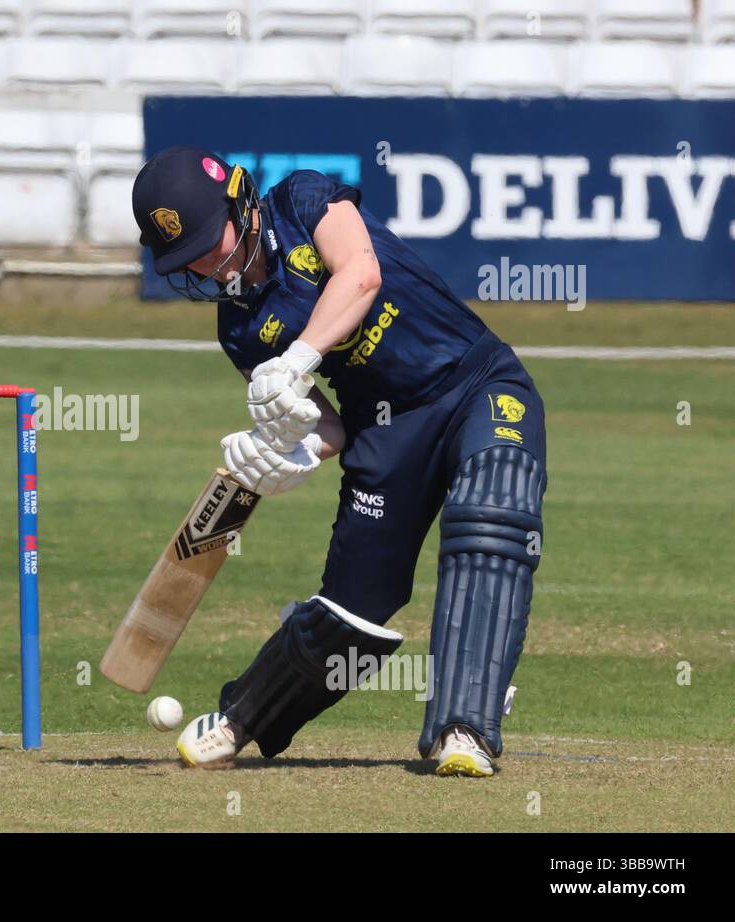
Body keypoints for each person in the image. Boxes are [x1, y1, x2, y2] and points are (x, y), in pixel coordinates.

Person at [132, 147, 547, 776]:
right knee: (352, 615)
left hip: (473, 383)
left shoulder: (301, 200)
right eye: (187, 259)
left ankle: (464, 725)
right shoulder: (240, 329)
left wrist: (297, 359)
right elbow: (327, 424)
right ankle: (243, 714)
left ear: (238, 202)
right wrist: (292, 452)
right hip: (384, 433)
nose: (207, 266)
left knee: (489, 516)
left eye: (207, 242)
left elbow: (360, 273)